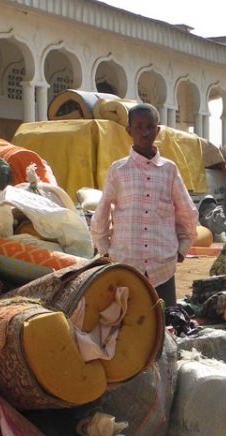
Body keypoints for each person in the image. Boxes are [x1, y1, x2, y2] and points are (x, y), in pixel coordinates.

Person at [90, 103, 199, 307]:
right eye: (139, 127)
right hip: (126, 264)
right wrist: (104, 250)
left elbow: (187, 212)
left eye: (150, 126)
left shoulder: (169, 170)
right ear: (129, 130)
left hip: (162, 266)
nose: (145, 132)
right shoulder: (119, 170)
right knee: (125, 325)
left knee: (165, 324)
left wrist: (183, 248)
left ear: (158, 130)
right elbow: (102, 212)